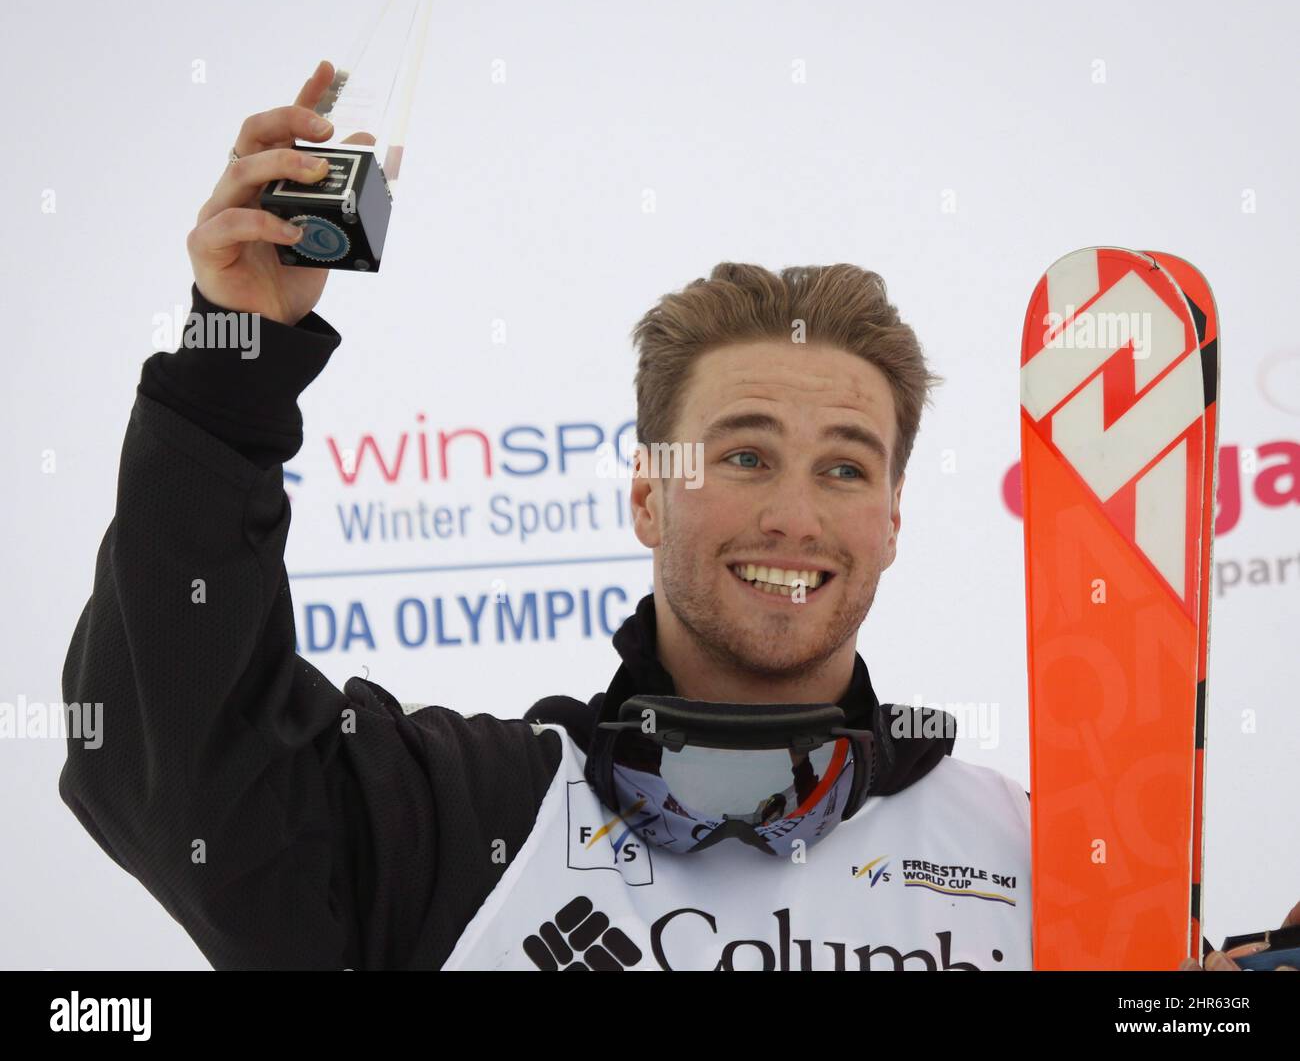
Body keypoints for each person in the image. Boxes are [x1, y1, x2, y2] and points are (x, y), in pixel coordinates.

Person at [58, 62, 1291, 972]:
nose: (796, 514)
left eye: (847, 467)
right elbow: (173, 766)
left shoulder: (1041, 854)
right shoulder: (456, 818)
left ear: (898, 518)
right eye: (744, 452)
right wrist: (232, 360)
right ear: (648, 488)